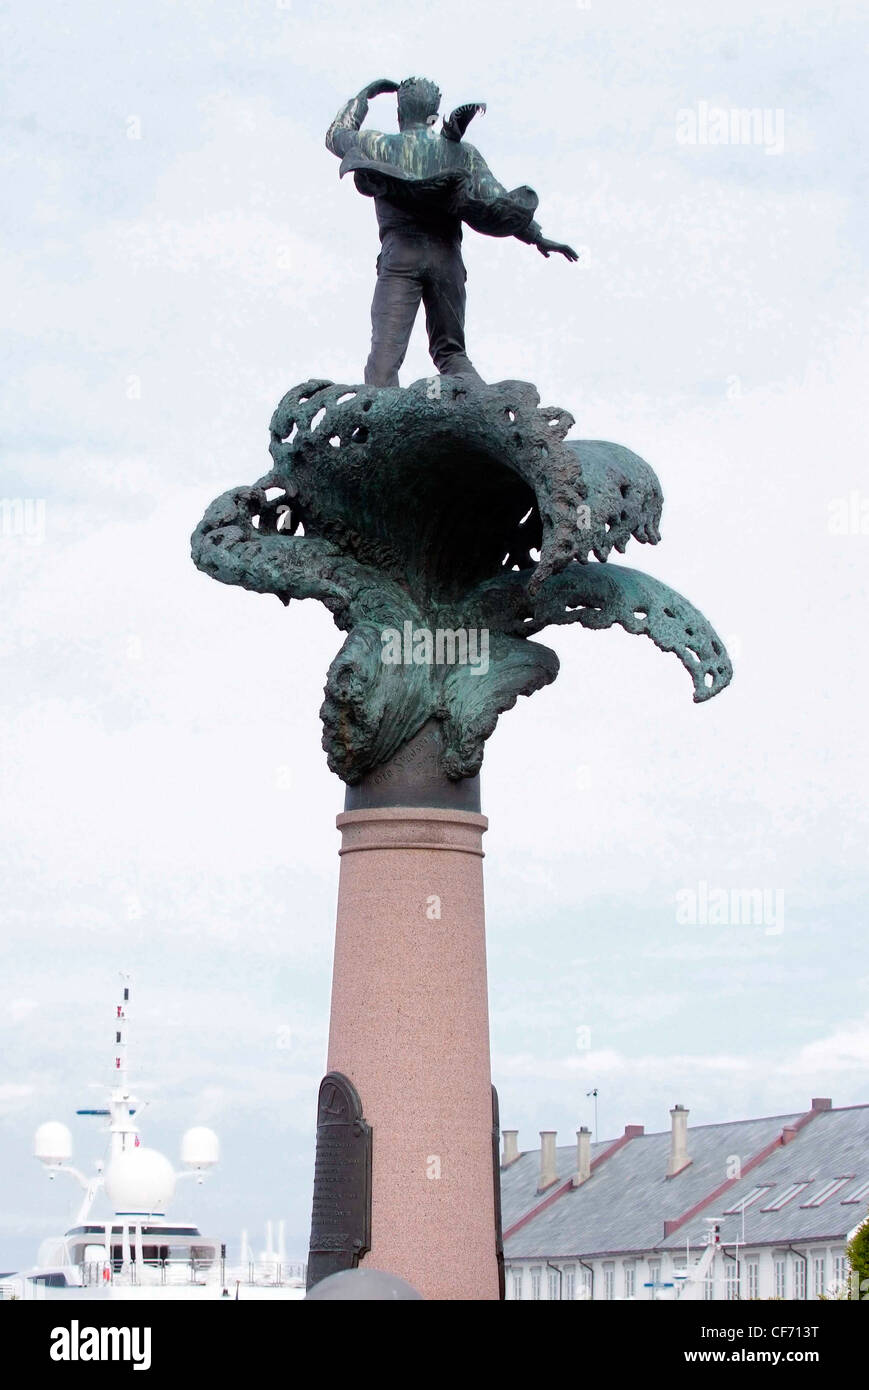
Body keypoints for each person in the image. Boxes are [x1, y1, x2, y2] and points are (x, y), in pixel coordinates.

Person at [326, 76, 578, 387]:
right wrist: (536, 235)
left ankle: (375, 431)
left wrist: (365, 95)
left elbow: (336, 134)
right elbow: (497, 199)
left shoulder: (376, 145)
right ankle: (488, 416)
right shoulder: (462, 153)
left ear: (400, 113)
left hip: (400, 258)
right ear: (434, 114)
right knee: (452, 352)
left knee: (384, 360)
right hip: (447, 261)